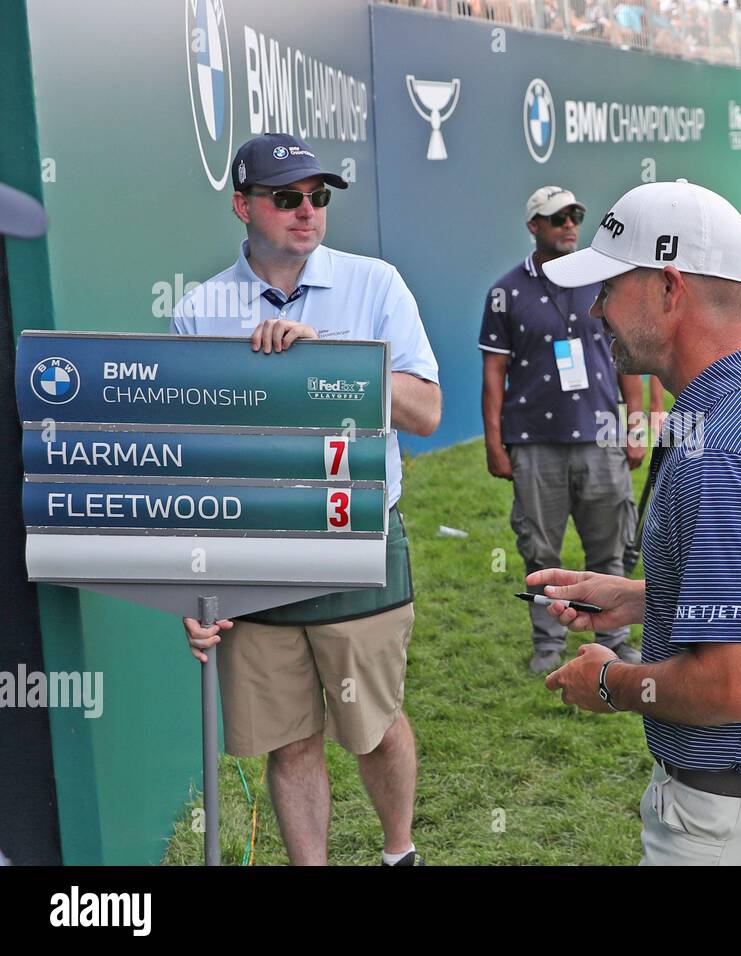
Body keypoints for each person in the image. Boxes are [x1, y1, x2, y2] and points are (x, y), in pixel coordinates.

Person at [531, 180, 741, 866]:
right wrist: (642, 597)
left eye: (609, 288)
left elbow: (735, 687)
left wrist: (608, 683)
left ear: (669, 289)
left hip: (729, 824)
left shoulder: (723, 452)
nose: (595, 310)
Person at [174, 133, 442, 866]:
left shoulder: (376, 285)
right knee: (290, 738)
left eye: (318, 198)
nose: (307, 212)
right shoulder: (201, 312)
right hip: (254, 555)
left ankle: (398, 853)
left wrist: (329, 367)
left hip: (357, 539)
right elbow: (192, 465)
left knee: (374, 724)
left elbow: (425, 411)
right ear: (242, 206)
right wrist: (196, 587)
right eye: (286, 198)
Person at [479, 186, 646, 674]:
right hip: (534, 444)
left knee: (610, 548)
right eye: (557, 218)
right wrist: (495, 443)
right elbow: (494, 374)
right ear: (534, 226)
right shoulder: (505, 292)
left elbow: (627, 357)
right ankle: (547, 644)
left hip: (601, 439)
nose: (569, 224)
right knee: (540, 551)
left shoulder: (602, 282)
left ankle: (615, 638)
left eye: (575, 215)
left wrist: (635, 427)